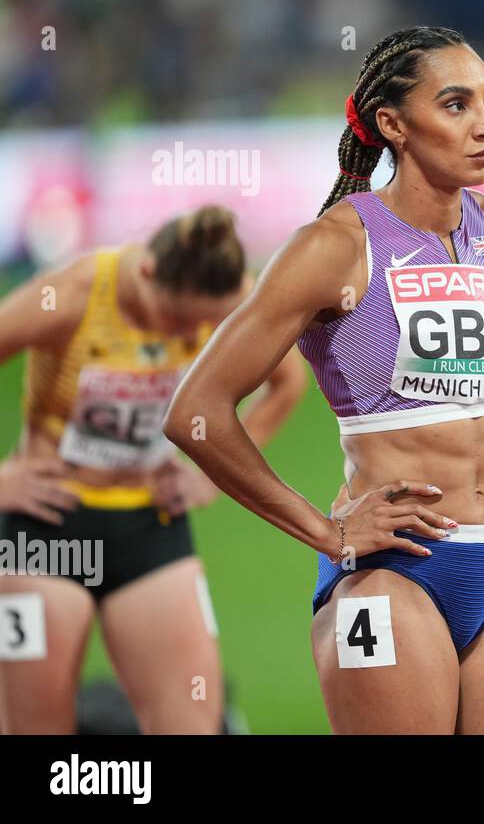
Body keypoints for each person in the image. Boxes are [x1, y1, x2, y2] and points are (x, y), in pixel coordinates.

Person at [165, 26, 484, 734]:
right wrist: (326, 531)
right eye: (456, 105)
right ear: (394, 124)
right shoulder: (335, 246)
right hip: (395, 577)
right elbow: (196, 411)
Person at [0, 205, 307, 733]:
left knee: (196, 721)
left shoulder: (231, 296)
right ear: (145, 272)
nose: (183, 335)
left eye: (200, 325)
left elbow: (288, 382)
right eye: (175, 319)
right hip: (45, 533)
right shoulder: (72, 295)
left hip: (149, 527)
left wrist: (210, 474)